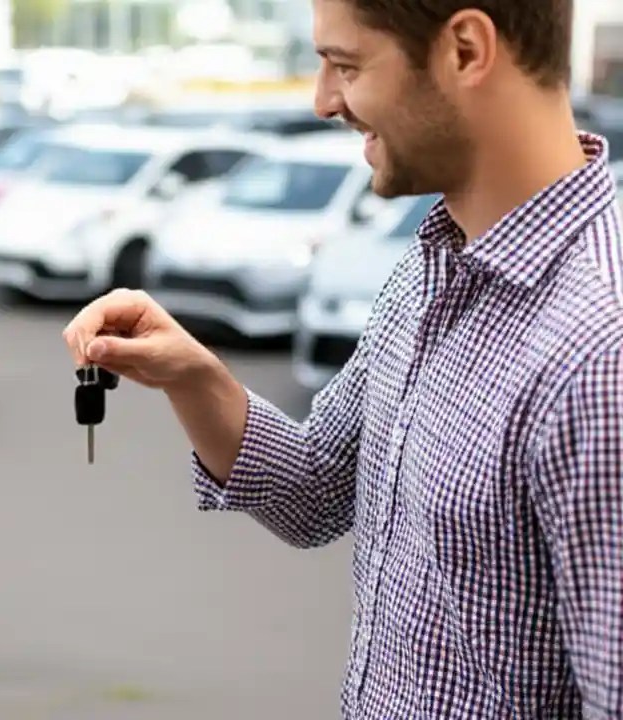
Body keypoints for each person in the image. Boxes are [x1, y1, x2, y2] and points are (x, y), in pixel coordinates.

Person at [64, 1, 622, 718]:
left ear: (464, 50)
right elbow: (316, 492)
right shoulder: (430, 267)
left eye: (345, 65)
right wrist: (194, 376)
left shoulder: (599, 360)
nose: (323, 101)